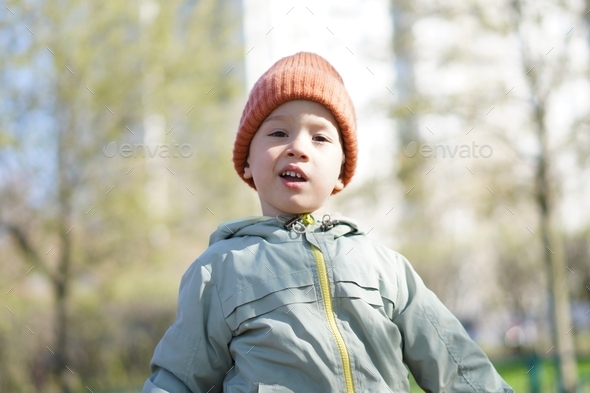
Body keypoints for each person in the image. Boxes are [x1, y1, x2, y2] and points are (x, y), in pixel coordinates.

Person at [142, 52, 511, 392]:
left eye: (319, 137)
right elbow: (177, 379)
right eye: (277, 133)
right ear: (247, 162)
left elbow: (459, 369)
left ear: (340, 172)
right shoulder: (221, 269)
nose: (297, 147)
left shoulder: (385, 267)